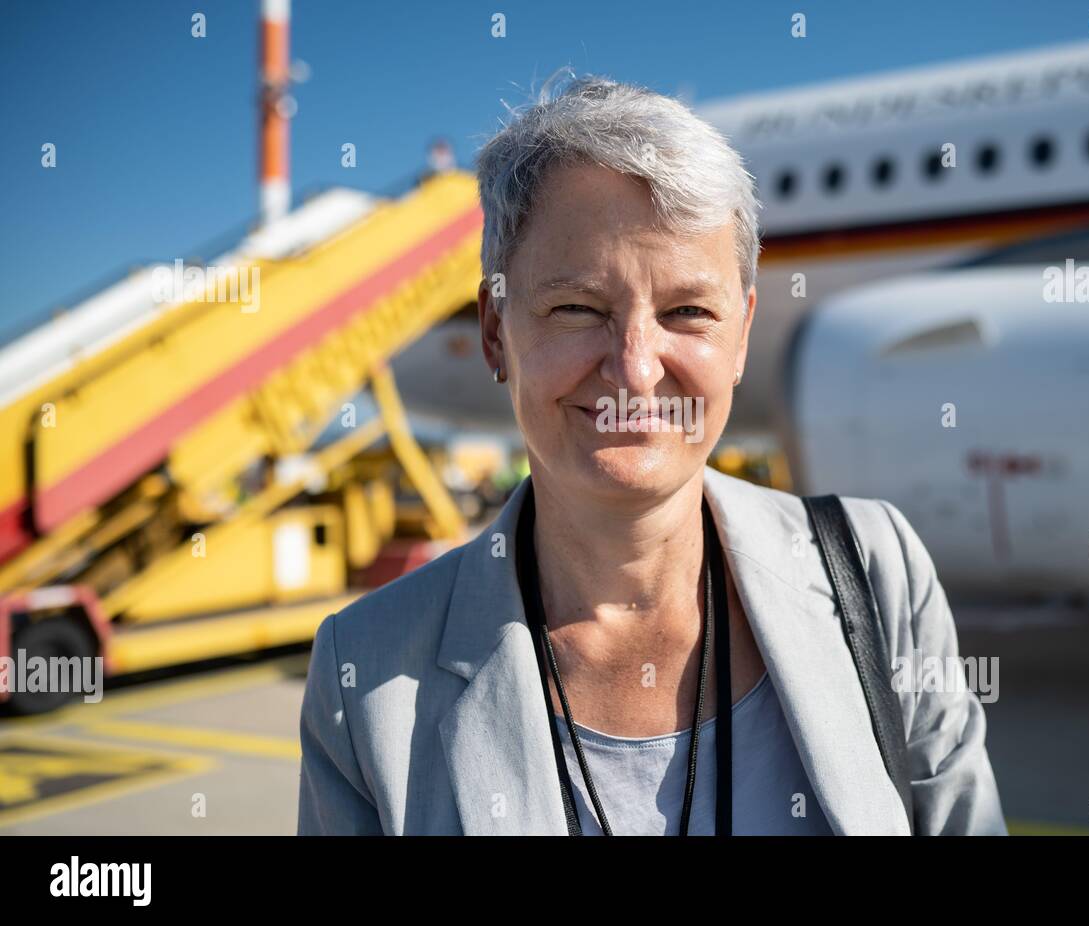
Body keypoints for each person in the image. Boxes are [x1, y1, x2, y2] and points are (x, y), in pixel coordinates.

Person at [297, 69, 1007, 836]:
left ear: (740, 336)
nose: (635, 367)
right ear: (496, 332)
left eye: (688, 311)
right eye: (576, 308)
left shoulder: (876, 574)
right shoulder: (362, 673)